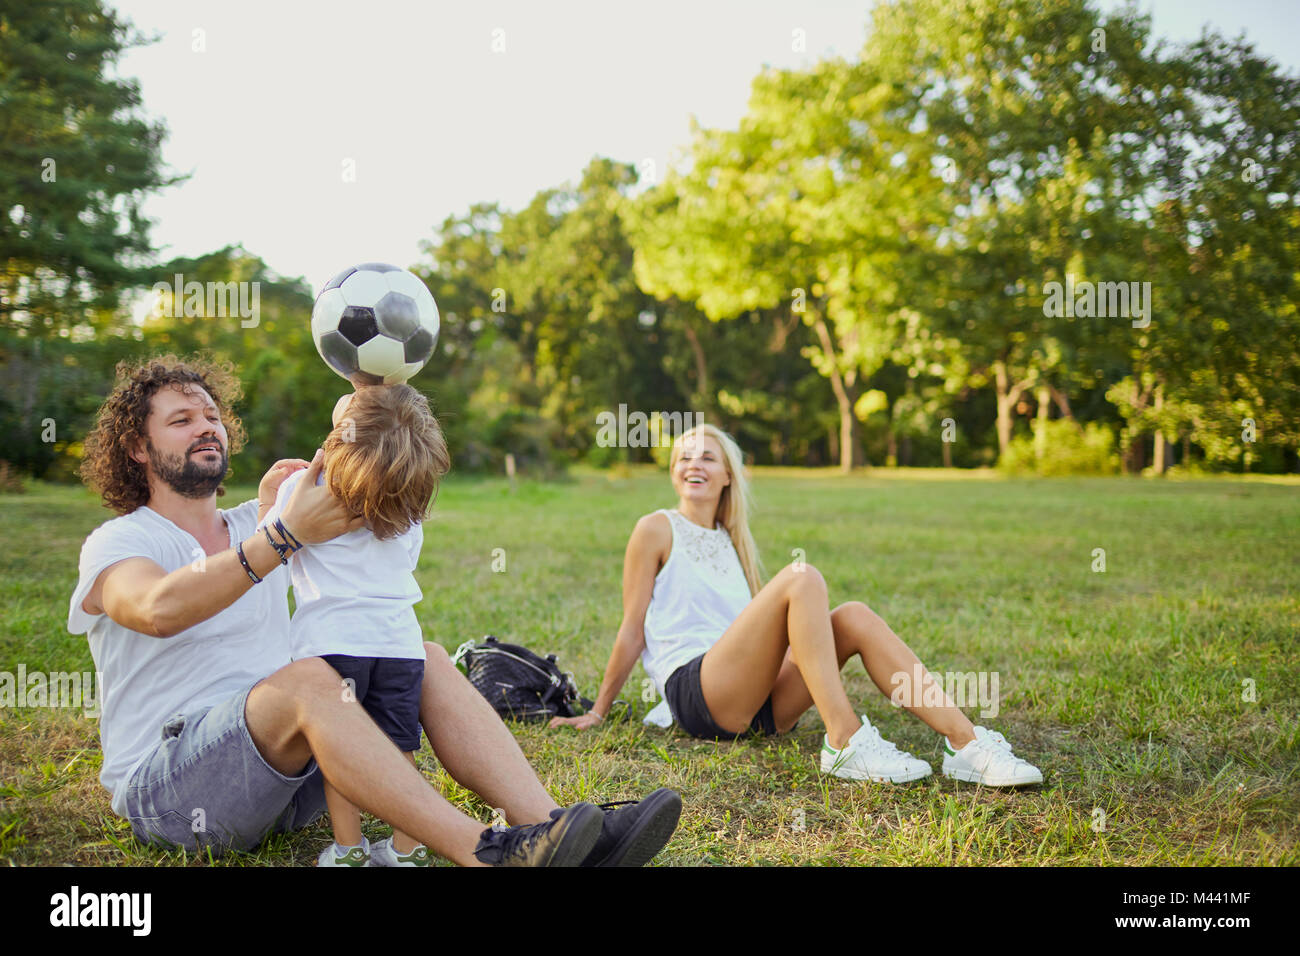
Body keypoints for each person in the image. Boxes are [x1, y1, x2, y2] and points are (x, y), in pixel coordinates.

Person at [68, 354, 681, 866]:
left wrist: (377, 394)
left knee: (425, 658)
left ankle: (565, 832)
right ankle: (491, 852)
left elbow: (374, 450)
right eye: (181, 420)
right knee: (313, 680)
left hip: (288, 777)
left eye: (212, 415)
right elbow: (156, 609)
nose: (207, 427)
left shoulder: (262, 518)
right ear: (137, 448)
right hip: (174, 790)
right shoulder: (123, 542)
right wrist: (281, 535)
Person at [551, 423, 1043, 788]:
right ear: (673, 473)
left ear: (728, 474)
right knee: (802, 577)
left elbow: (769, 639)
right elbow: (632, 629)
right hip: (697, 693)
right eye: (683, 457)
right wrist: (598, 710)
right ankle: (845, 741)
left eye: (706, 457)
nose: (692, 465)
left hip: (757, 704)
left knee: (853, 616)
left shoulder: (732, 541)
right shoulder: (655, 527)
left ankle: (967, 744)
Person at [257, 384, 446, 866]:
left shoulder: (303, 495)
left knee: (342, 754)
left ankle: (347, 851)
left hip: (332, 646)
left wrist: (268, 498)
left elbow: (271, 549)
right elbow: (407, 560)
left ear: (340, 448)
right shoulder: (405, 509)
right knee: (398, 747)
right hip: (400, 644)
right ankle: (407, 849)